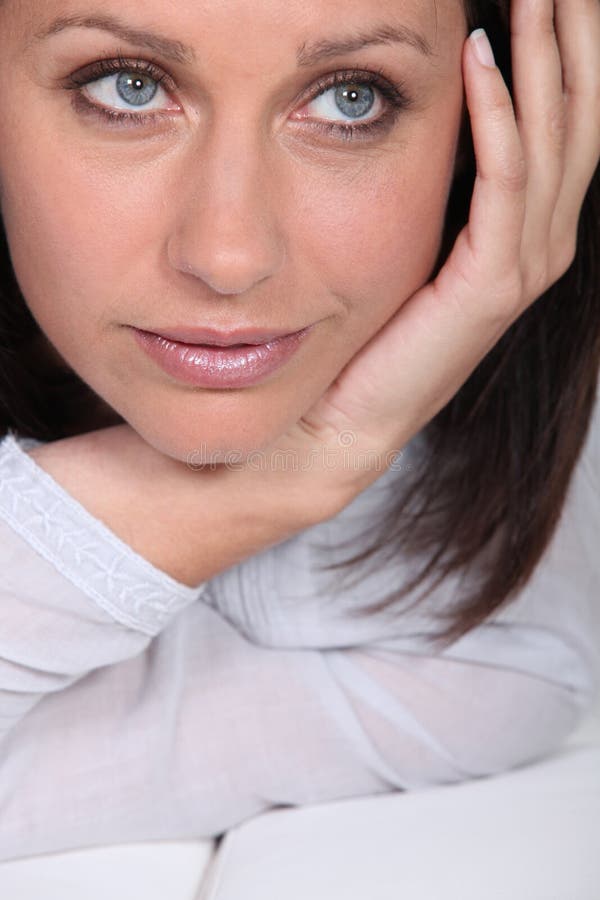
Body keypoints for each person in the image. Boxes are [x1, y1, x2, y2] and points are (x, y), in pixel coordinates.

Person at [0, 0, 598, 863]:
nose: (229, 256)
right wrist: (291, 474)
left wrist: (308, 465)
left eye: (352, 98)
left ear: (502, 129)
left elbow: (509, 666)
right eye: (127, 87)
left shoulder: (482, 655)